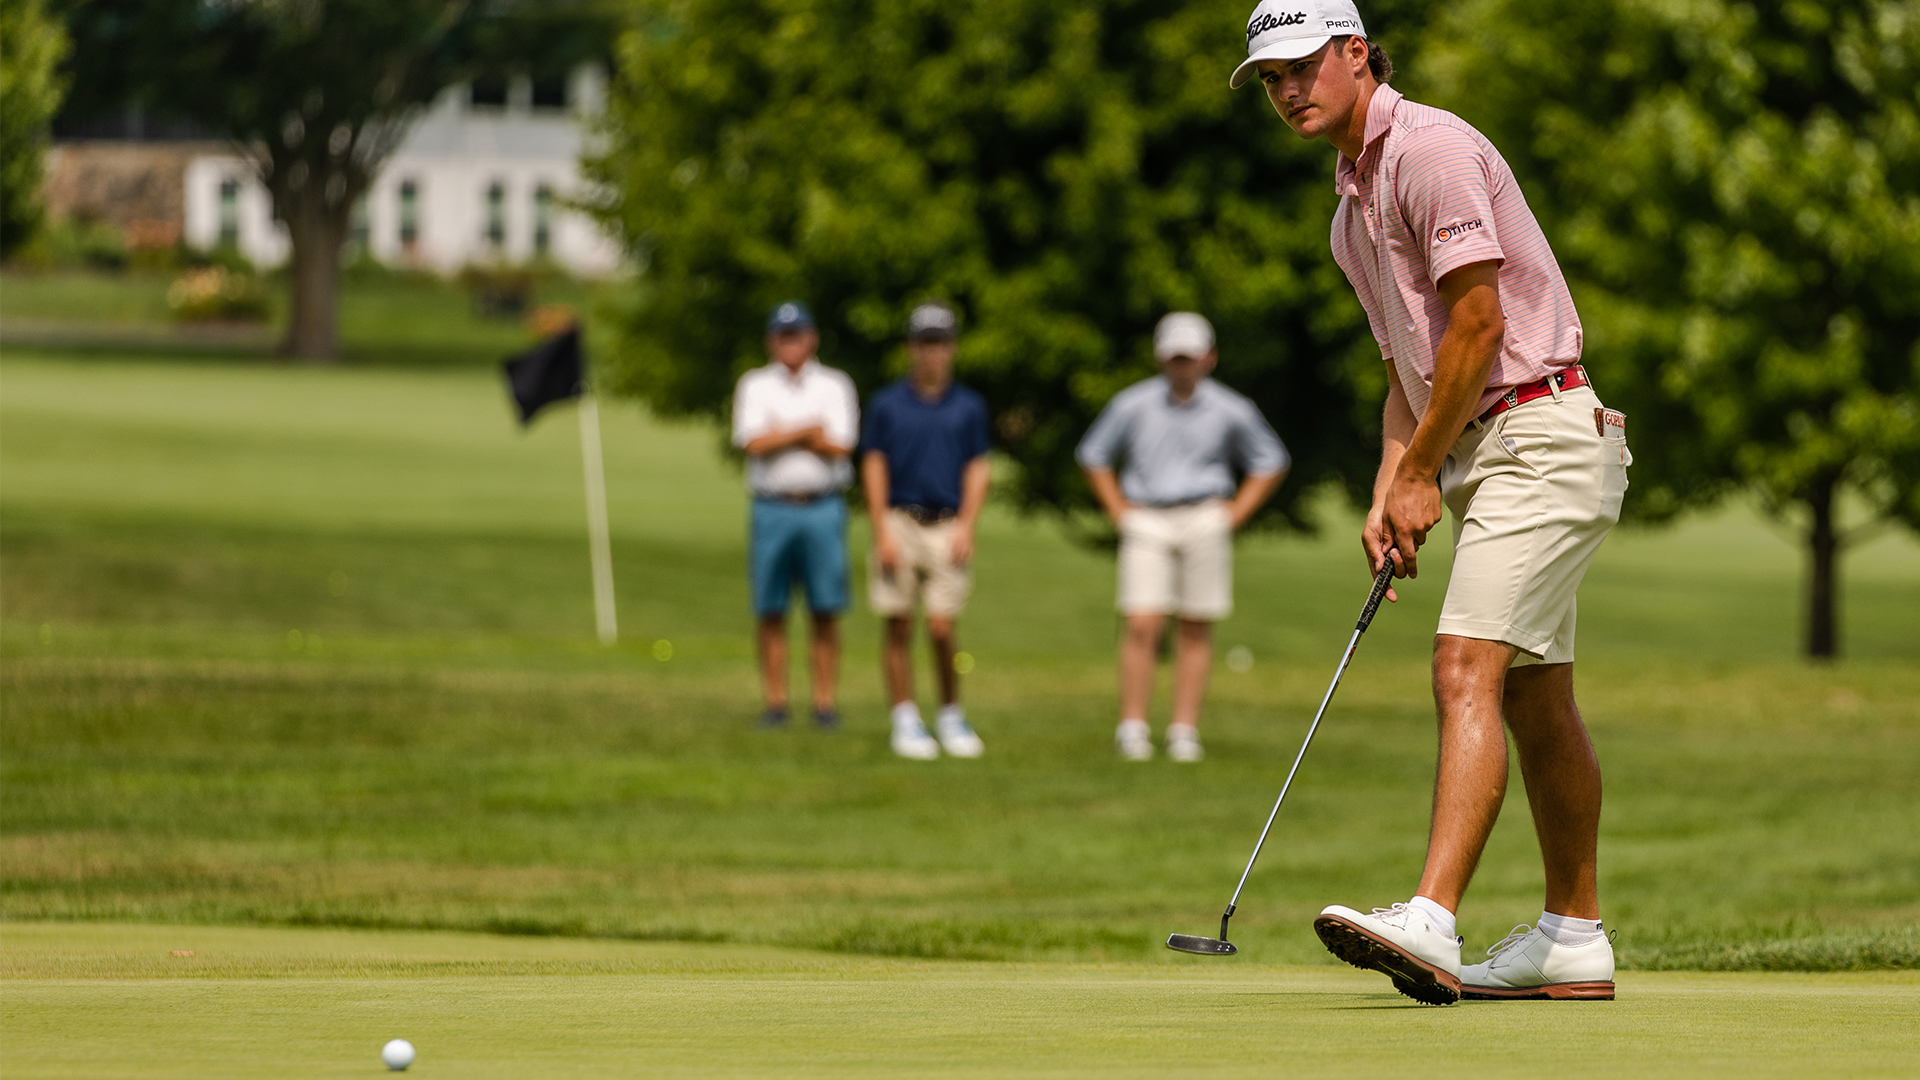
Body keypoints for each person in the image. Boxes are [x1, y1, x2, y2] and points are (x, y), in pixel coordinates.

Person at [1232, 0, 1632, 1004]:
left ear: (1356, 53)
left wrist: (1422, 474)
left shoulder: (1431, 152)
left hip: (1538, 429)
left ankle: (1433, 918)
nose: (1287, 91)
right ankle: (1572, 934)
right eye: (1270, 79)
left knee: (1466, 666)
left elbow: (1480, 326)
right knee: (1537, 695)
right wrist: (1389, 482)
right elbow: (1404, 369)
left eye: (1301, 67)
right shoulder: (1348, 211)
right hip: (1496, 444)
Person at [1076, 312, 1289, 763]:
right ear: (1160, 358)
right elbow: (1093, 455)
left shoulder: (1232, 408)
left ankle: (1183, 730)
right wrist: (1118, 512)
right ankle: (1132, 726)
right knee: (1141, 623)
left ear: (1208, 359)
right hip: (1147, 518)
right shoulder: (1131, 404)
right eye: (1174, 357)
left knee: (1195, 624)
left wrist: (1234, 514)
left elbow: (1271, 460)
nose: (1182, 366)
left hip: (1204, 516)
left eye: (1189, 358)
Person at [860, 302, 992, 760]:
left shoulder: (968, 407)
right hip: (899, 519)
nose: (931, 353)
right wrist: (880, 529)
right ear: (910, 349)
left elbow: (978, 467)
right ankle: (905, 717)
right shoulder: (887, 405)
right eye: (923, 344)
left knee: (941, 626)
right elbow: (874, 464)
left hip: (947, 522)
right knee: (898, 622)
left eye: (939, 344)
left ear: (952, 349)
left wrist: (968, 526)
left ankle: (951, 713)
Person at [732, 301, 860, 730]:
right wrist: (808, 430)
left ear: (813, 337)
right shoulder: (754, 384)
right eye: (783, 335)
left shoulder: (835, 384)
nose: (791, 342)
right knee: (771, 608)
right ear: (772, 340)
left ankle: (824, 703)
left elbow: (842, 445)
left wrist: (780, 432)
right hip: (772, 506)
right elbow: (753, 443)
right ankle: (776, 703)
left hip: (823, 505)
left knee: (825, 607)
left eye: (798, 334)